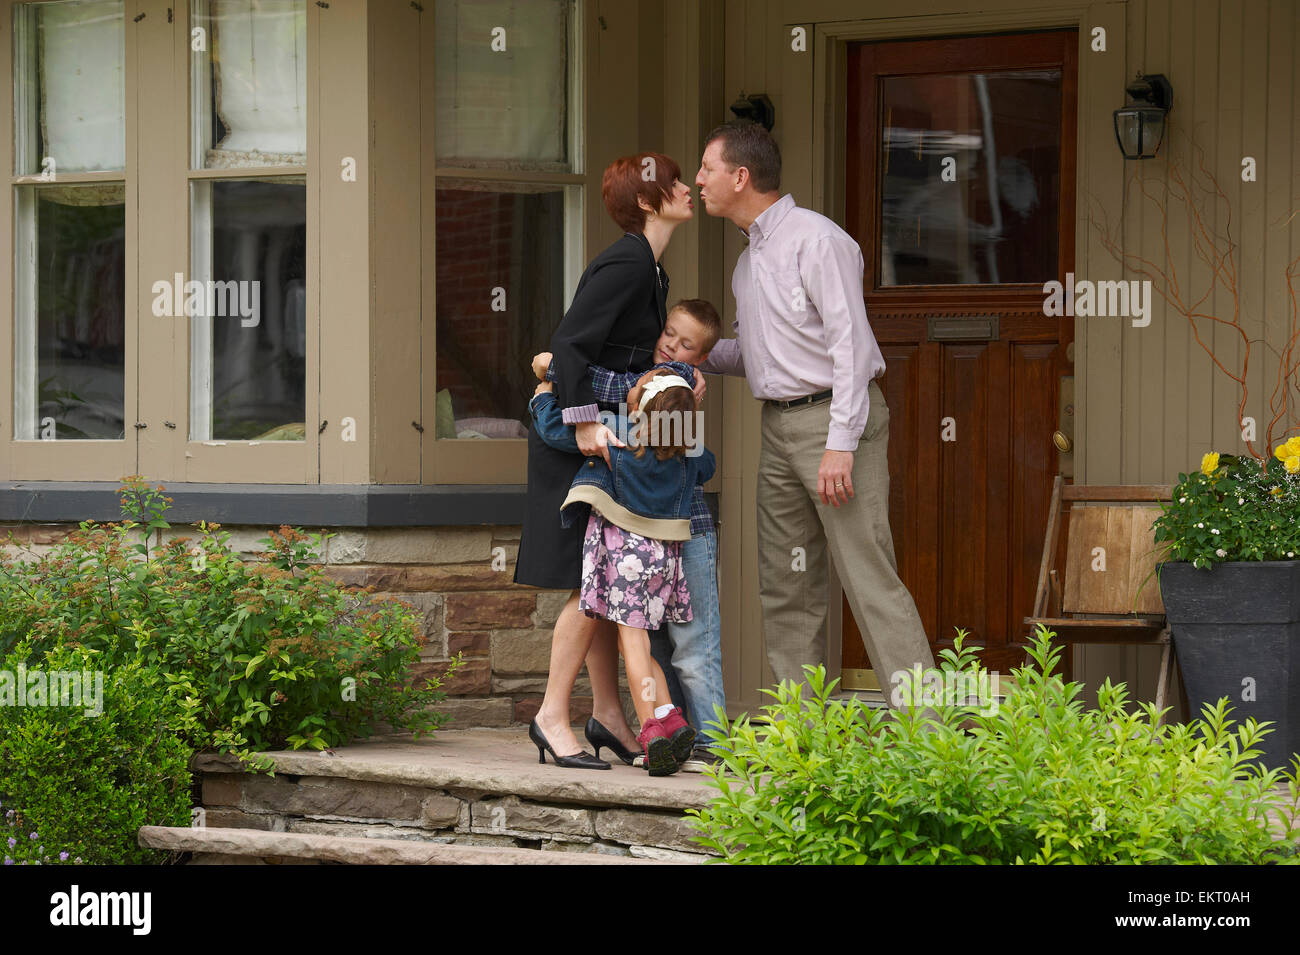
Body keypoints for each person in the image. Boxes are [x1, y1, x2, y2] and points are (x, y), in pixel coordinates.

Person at [693, 122, 936, 698]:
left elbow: (849, 348)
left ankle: (931, 732)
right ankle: (805, 738)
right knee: (788, 582)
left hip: (833, 421)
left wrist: (841, 443)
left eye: (707, 168)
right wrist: (688, 355)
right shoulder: (748, 262)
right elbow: (765, 355)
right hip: (777, 427)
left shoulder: (817, 241)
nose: (698, 180)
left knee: (868, 577)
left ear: (741, 176)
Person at [513, 152, 698, 769]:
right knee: (587, 587)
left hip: (599, 436)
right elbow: (569, 344)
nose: (687, 187)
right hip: (577, 441)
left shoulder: (649, 266)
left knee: (593, 586)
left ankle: (610, 716)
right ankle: (551, 716)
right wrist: (584, 418)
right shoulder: (628, 261)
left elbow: (612, 358)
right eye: (674, 183)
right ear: (649, 201)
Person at [533, 299, 727, 766]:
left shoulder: (620, 431)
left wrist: (546, 383)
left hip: (643, 550)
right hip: (666, 552)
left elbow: (557, 428)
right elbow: (705, 465)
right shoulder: (681, 439)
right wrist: (681, 426)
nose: (673, 346)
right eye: (670, 333)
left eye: (687, 345)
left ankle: (678, 736)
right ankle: (674, 727)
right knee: (657, 644)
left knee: (668, 644)